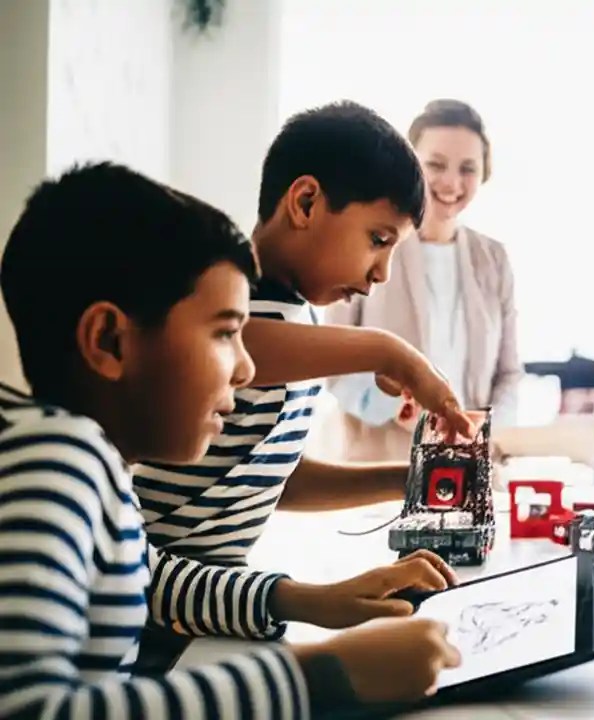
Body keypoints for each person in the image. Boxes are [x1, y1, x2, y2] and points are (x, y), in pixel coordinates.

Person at [0, 162, 460, 717]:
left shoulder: (91, 469)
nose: (245, 368)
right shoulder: (56, 466)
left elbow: (157, 579)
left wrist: (315, 601)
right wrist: (316, 676)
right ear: (109, 340)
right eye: (224, 333)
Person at [130, 101, 471, 622]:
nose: (381, 272)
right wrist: (390, 351)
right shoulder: (230, 304)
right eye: (378, 240)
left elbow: (271, 477)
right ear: (306, 202)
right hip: (152, 598)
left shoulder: (300, 318)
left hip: (212, 602)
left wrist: (409, 479)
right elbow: (247, 346)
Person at [326, 99, 521, 462]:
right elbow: (334, 368)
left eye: (468, 168)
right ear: (411, 164)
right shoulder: (370, 243)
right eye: (435, 164)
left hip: (470, 468)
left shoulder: (494, 258)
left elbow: (509, 375)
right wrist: (395, 405)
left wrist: (482, 427)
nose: (451, 182)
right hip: (378, 469)